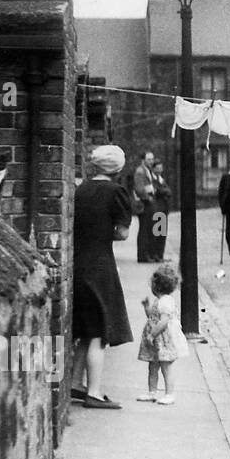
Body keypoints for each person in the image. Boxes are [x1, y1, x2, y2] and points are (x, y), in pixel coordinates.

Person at [69, 144, 135, 409]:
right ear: (117, 168)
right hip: (100, 265)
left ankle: (75, 382)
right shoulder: (116, 192)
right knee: (99, 332)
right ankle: (94, 392)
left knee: (86, 330)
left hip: (80, 262)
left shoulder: (81, 189)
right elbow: (122, 233)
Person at [137, 263, 188, 404]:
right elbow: (153, 317)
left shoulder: (166, 302)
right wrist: (147, 308)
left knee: (166, 366)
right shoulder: (160, 301)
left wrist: (152, 334)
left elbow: (163, 321)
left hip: (163, 341)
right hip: (157, 341)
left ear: (156, 286)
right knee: (153, 365)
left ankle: (169, 393)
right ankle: (152, 391)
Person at [133, 151, 158, 262]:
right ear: (143, 160)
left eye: (152, 159)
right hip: (144, 204)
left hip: (146, 203)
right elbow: (139, 188)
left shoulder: (147, 171)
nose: (151, 161)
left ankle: (146, 254)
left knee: (147, 229)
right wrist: (148, 198)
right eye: (149, 159)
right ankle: (143, 256)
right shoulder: (140, 171)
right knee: (144, 230)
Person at [150, 160, 171, 260]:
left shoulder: (162, 179)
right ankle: (154, 254)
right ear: (153, 169)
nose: (159, 170)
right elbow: (158, 191)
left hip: (164, 209)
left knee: (162, 233)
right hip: (157, 209)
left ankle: (160, 254)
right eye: (157, 168)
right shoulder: (153, 180)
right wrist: (164, 191)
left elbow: (168, 191)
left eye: (160, 168)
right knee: (156, 233)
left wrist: (164, 191)